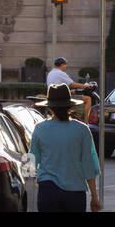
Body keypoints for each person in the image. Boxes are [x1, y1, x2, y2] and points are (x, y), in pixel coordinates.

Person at [30, 83, 102, 212]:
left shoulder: (39, 128)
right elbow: (89, 165)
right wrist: (94, 197)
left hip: (48, 191)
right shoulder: (82, 130)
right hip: (74, 193)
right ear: (70, 106)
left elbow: (30, 162)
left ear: (50, 107)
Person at [47, 57, 97, 122]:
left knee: (75, 98)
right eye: (65, 65)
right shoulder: (60, 73)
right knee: (88, 99)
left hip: (52, 97)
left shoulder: (51, 73)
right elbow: (72, 84)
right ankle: (86, 121)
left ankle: (75, 116)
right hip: (63, 98)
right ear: (62, 64)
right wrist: (86, 86)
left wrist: (70, 91)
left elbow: (57, 87)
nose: (66, 66)